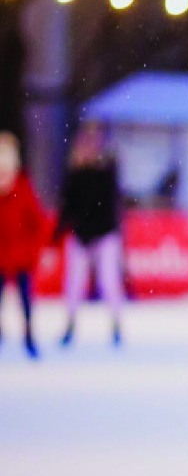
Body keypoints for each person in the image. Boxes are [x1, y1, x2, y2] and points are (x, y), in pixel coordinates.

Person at [56, 121, 125, 347]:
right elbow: (68, 206)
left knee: (108, 279)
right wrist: (59, 232)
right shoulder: (75, 174)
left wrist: (97, 231)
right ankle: (70, 323)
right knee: (74, 282)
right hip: (81, 235)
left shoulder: (106, 172)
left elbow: (108, 207)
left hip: (103, 234)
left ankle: (116, 324)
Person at [0, 131, 49, 359]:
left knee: (25, 298)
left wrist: (35, 249)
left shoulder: (22, 186)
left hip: (20, 255)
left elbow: (36, 220)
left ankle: (29, 335)